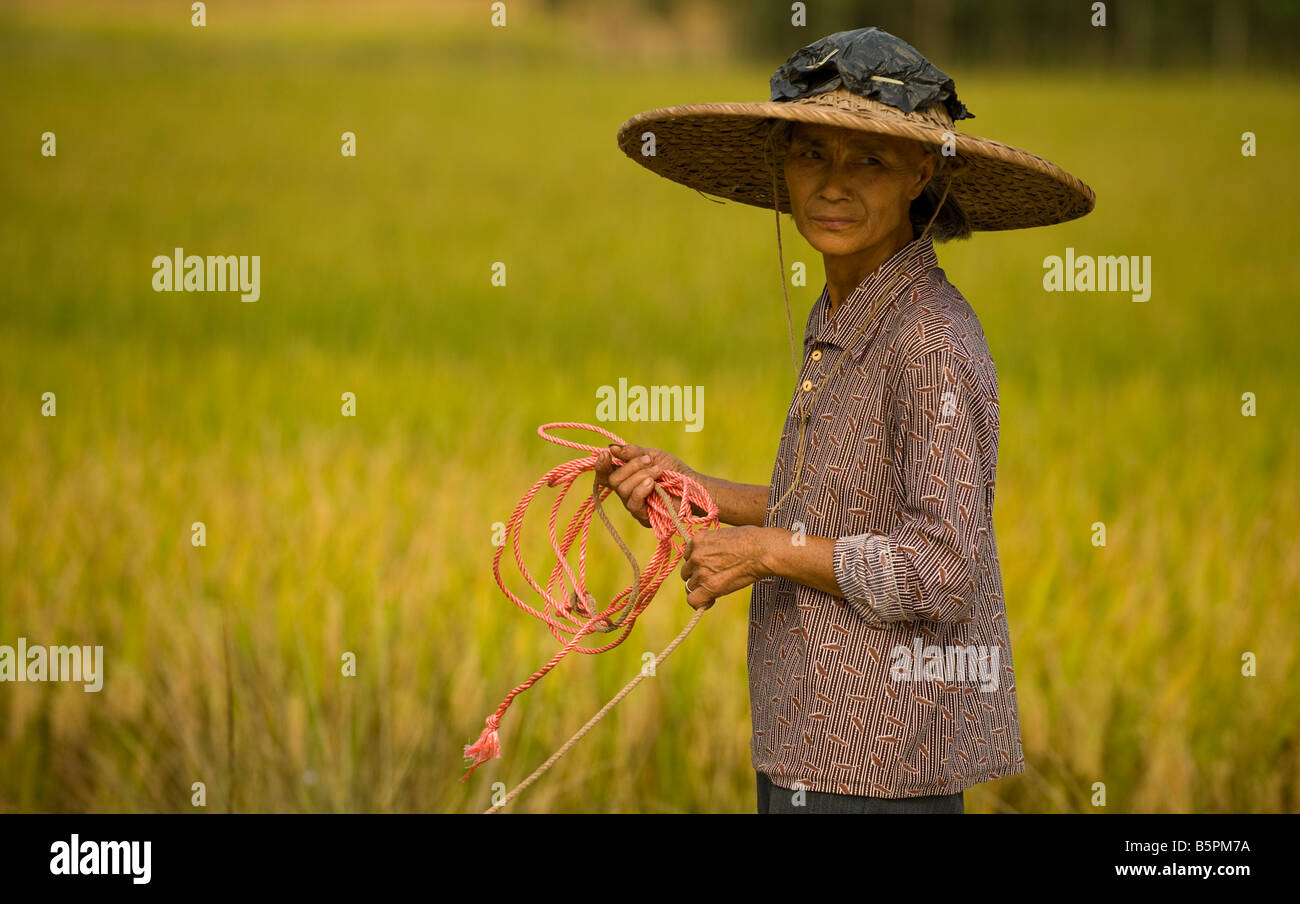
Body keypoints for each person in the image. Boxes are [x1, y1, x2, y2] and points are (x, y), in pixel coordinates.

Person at [602, 26, 1094, 814]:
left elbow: (938, 569)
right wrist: (691, 489)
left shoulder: (928, 339)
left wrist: (763, 551)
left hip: (879, 764)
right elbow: (843, 509)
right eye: (811, 155)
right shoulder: (847, 309)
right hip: (808, 736)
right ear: (784, 169)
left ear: (920, 172)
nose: (834, 185)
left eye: (868, 159)